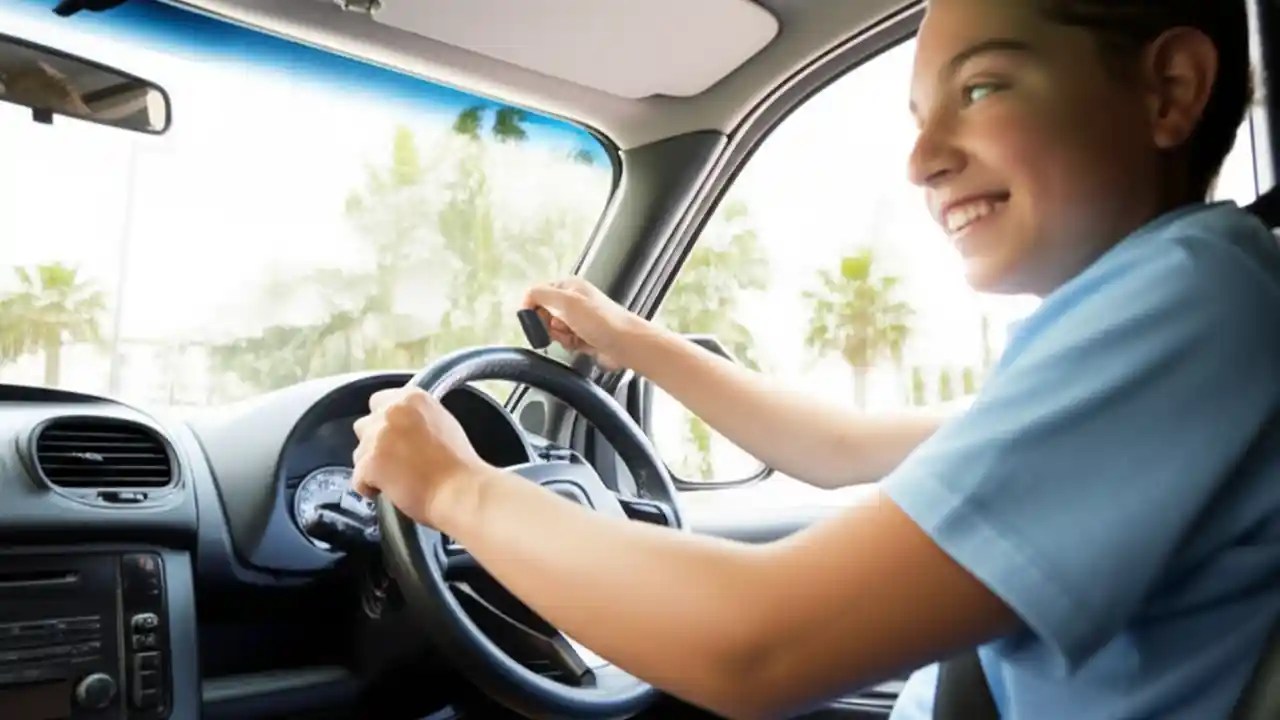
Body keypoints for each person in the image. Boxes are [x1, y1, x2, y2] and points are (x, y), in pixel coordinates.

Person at [351, 0, 1280, 717]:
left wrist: (452, 487)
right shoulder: (1151, 327)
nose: (921, 159)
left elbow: (757, 646)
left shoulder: (1191, 302)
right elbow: (838, 448)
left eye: (984, 88)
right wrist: (633, 340)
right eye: (920, 114)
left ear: (1169, 91)